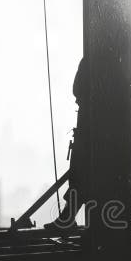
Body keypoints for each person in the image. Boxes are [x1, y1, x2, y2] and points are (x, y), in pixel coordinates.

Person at [45, 58, 88, 230]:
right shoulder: (116, 59)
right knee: (82, 176)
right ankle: (68, 217)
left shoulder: (90, 59)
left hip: (88, 127)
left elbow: (77, 89)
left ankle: (68, 217)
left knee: (79, 175)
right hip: (101, 128)